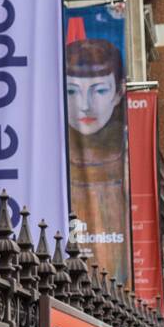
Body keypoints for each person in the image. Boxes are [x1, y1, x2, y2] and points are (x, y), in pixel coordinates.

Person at [64, 36, 129, 288]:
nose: (84, 106)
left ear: (119, 92)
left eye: (99, 90)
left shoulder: (125, 154)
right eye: (72, 91)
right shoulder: (53, 155)